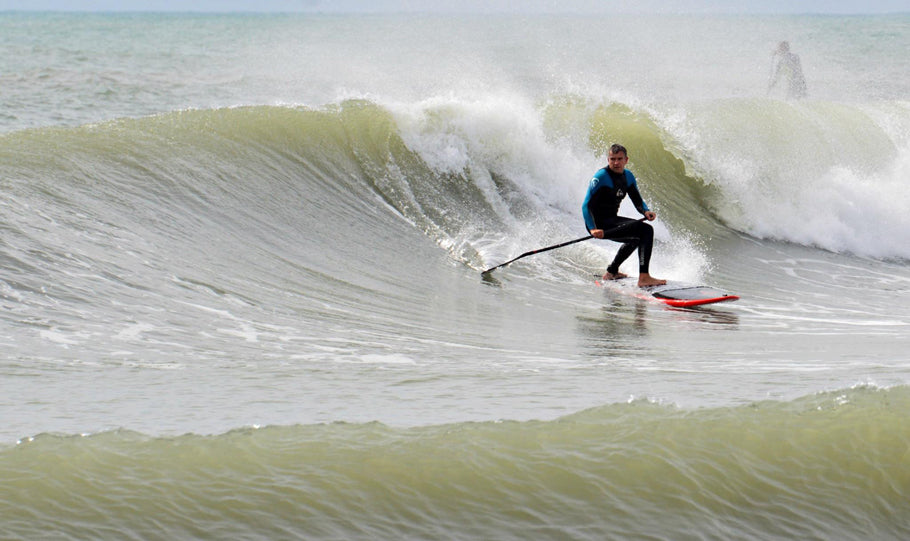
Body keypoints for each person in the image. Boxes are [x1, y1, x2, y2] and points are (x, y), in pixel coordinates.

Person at [582, 144, 666, 287]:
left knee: (636, 237)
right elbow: (586, 205)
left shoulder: (628, 177)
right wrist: (592, 228)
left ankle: (612, 272)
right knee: (646, 230)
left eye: (619, 159)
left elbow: (637, 200)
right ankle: (644, 278)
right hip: (599, 224)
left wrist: (645, 211)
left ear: (626, 160)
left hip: (612, 220)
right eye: (612, 159)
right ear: (608, 159)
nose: (616, 163)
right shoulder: (601, 177)